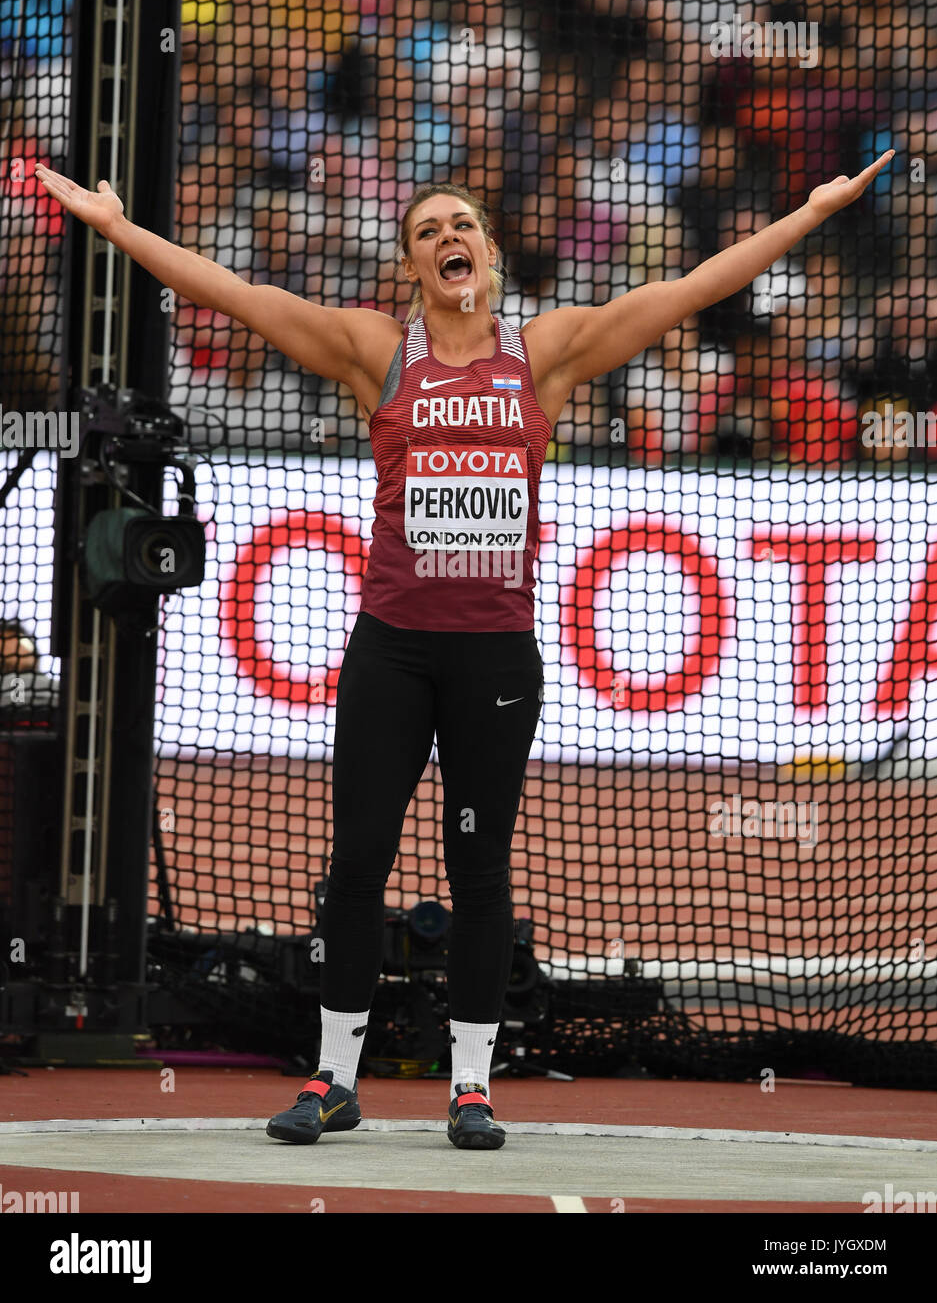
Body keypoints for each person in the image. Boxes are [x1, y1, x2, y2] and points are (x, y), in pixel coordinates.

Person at [35, 147, 894, 1148]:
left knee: (478, 868)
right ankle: (333, 1081)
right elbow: (236, 294)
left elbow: (695, 285)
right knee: (355, 865)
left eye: (463, 226)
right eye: (428, 230)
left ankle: (472, 1088)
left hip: (494, 659)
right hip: (391, 651)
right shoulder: (375, 351)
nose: (450, 239)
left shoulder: (548, 350)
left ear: (489, 251)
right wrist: (116, 225)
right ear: (411, 267)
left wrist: (811, 207)